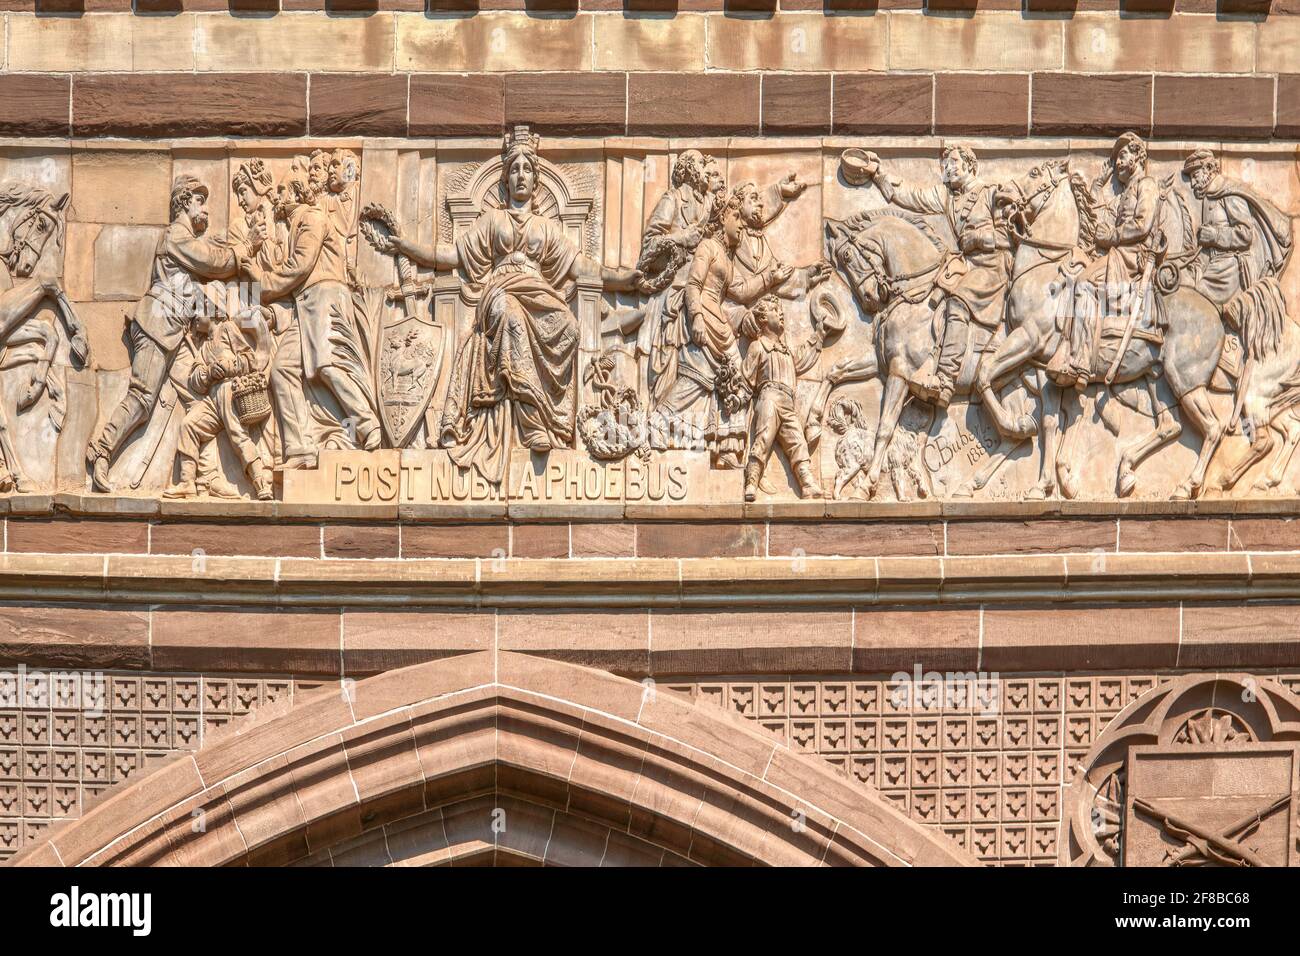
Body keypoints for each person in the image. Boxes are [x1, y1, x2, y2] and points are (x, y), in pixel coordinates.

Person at [382, 126, 640, 484]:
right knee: (511, 316)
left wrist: (625, 278)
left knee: (568, 327)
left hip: (537, 290)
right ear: (506, 178)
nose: (521, 175)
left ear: (536, 178)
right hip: (499, 290)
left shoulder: (545, 228)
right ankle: (533, 420)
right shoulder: (492, 221)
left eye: (528, 169)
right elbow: (453, 254)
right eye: (515, 169)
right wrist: (409, 247)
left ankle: (555, 417)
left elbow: (582, 265)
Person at [86, 176, 239, 493]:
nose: (206, 209)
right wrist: (244, 249)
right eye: (200, 200)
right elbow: (213, 261)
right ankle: (101, 452)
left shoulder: (183, 243)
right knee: (143, 398)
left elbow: (190, 289)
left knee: (203, 400)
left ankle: (202, 476)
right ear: (184, 201)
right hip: (158, 327)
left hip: (174, 332)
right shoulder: (176, 237)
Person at [245, 164, 381, 466]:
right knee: (282, 369)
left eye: (281, 190)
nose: (276, 197)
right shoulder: (293, 225)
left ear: (296, 193)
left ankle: (367, 423)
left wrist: (260, 282)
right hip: (303, 307)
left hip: (322, 299)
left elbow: (300, 266)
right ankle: (300, 449)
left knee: (326, 366)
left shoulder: (312, 217)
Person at [857, 146, 1012, 406]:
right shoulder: (947, 196)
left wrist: (978, 238)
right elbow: (913, 196)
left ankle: (945, 378)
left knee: (958, 302)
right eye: (944, 166)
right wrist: (878, 175)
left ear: (970, 165)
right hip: (963, 266)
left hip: (992, 267)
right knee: (927, 296)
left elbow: (1009, 237)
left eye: (953, 162)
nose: (947, 169)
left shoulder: (991, 193)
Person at [652, 186, 791, 468]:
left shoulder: (726, 260)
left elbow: (740, 291)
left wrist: (770, 278)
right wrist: (698, 318)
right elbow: (693, 284)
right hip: (704, 320)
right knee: (695, 380)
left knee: (737, 381)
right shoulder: (708, 247)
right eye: (737, 218)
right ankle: (658, 423)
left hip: (720, 325)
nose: (741, 225)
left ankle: (727, 449)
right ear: (725, 216)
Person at [1067, 131, 1162, 387]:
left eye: (1123, 155)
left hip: (1131, 258)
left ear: (1138, 156)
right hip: (1119, 252)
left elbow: (1142, 225)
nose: (1118, 162)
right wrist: (1097, 186)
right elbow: (1102, 217)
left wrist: (1112, 236)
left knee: (1085, 282)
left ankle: (1082, 363)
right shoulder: (1127, 191)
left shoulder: (1147, 185)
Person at [163, 307, 273, 501]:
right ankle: (187, 482)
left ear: (212, 312)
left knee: (238, 436)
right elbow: (195, 378)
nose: (195, 318)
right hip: (213, 398)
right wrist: (208, 373)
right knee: (189, 425)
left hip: (229, 391)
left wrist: (229, 366)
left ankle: (260, 482)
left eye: (199, 313)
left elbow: (250, 359)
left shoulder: (227, 328)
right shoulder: (204, 347)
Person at [740, 295, 824, 501]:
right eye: (774, 311)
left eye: (781, 310)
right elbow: (746, 378)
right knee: (763, 437)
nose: (781, 313)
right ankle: (751, 482)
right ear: (762, 320)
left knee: (797, 441)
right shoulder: (758, 346)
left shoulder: (786, 351)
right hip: (769, 397)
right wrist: (738, 397)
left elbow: (803, 358)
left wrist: (819, 334)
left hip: (788, 401)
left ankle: (807, 484)